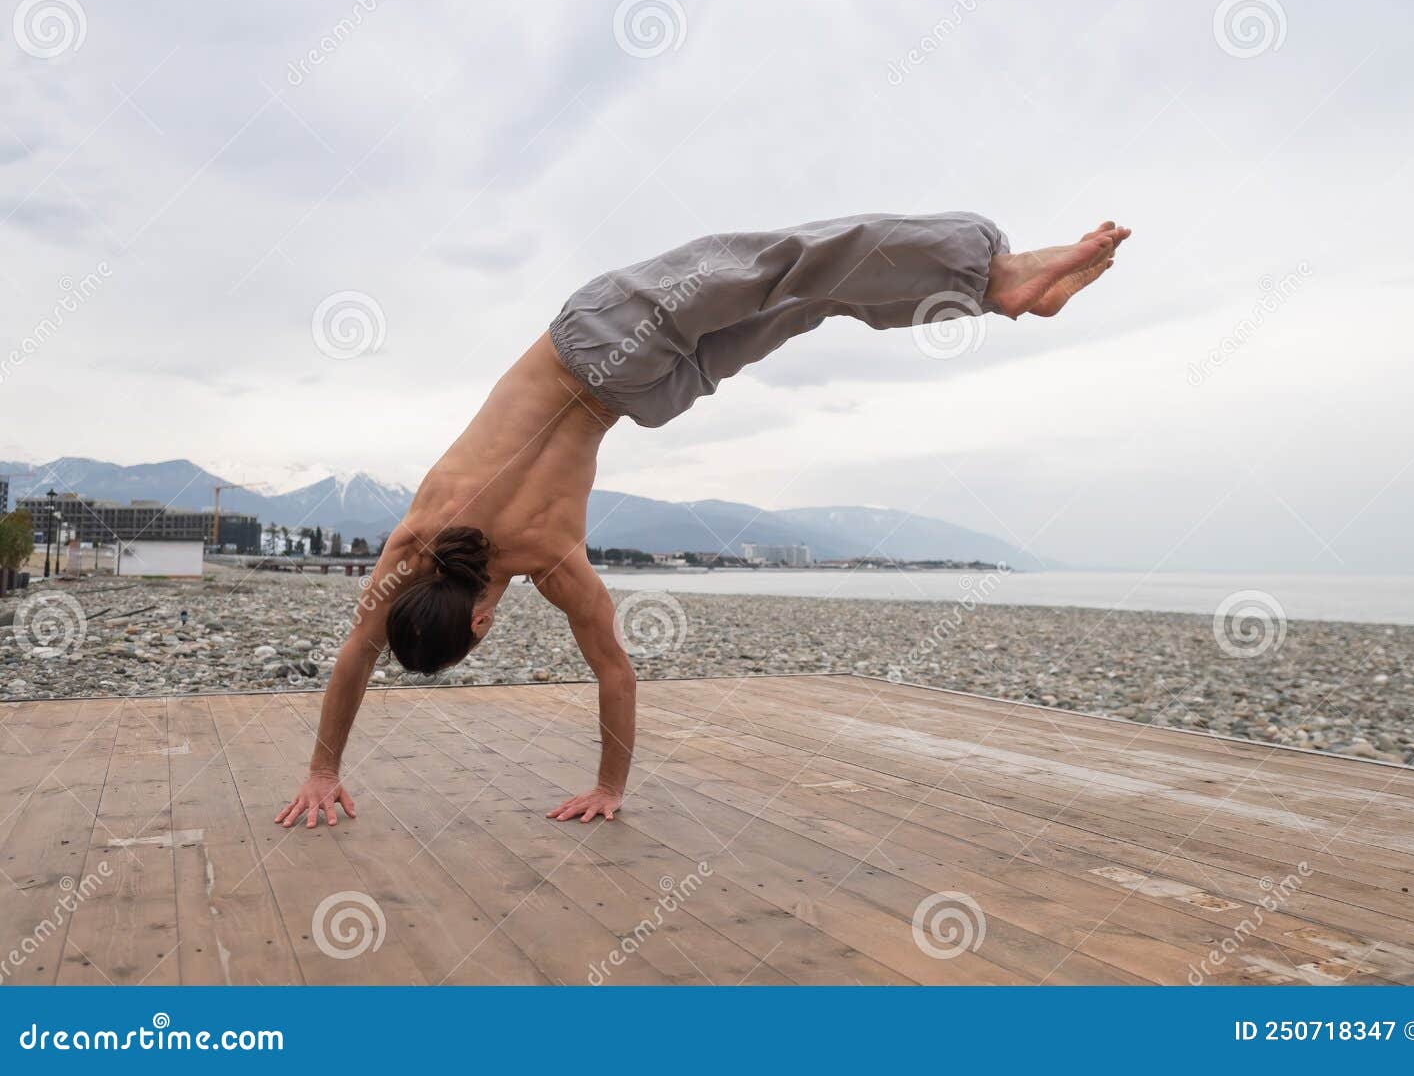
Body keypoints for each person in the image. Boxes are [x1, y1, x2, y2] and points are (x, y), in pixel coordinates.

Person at [275, 211, 1130, 829]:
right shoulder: (420, 535)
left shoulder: (552, 561)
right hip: (605, 337)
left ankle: (990, 288)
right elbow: (359, 649)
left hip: (643, 390)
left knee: (805, 297)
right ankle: (992, 274)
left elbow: (616, 674)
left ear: (483, 620)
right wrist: (319, 765)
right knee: (791, 264)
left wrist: (609, 788)